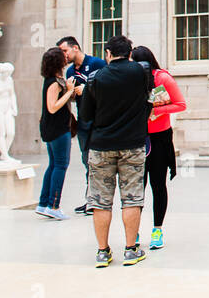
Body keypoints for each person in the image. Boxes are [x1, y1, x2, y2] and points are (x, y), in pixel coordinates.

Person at [80, 34, 152, 268]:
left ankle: (103, 251)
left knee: (101, 200)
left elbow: (86, 116)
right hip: (132, 143)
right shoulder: (141, 72)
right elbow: (149, 98)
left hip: (102, 145)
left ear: (108, 54)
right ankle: (131, 249)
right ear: (130, 53)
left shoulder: (95, 78)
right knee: (132, 198)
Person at [129, 45, 185, 251]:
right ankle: (133, 230)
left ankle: (157, 229)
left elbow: (180, 104)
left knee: (158, 185)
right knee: (137, 187)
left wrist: (157, 109)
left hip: (160, 137)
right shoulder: (132, 80)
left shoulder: (163, 78)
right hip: (137, 137)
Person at [58, 35, 106, 215]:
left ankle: (97, 200)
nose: (63, 55)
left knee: (98, 162)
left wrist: (87, 89)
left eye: (65, 50)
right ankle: (90, 199)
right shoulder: (70, 72)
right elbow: (73, 97)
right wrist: (70, 93)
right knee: (87, 161)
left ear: (75, 48)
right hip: (83, 121)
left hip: (99, 120)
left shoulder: (97, 64)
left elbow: (107, 86)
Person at [37, 47, 77, 219]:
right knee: (60, 164)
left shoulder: (56, 79)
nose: (66, 56)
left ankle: (44, 203)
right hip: (57, 128)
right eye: (63, 56)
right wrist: (68, 91)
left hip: (54, 128)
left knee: (54, 164)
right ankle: (54, 205)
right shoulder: (53, 82)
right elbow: (52, 107)